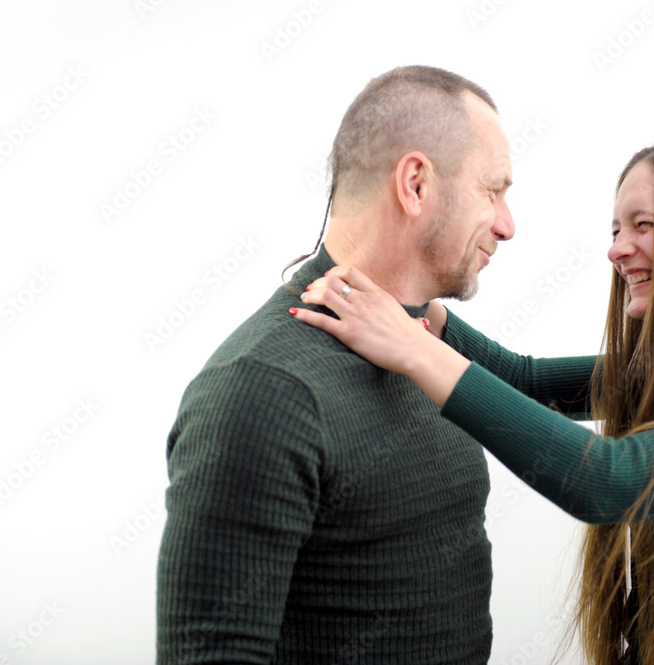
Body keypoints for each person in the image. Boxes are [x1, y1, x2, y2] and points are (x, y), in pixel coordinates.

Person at [293, 135, 654, 665]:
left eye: (643, 225)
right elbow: (524, 380)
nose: (617, 249)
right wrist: (413, 306)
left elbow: (608, 482)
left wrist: (412, 351)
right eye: (616, 229)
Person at [157, 65, 515, 664]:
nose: (507, 224)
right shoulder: (263, 390)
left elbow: (549, 386)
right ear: (417, 185)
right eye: (493, 189)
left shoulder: (424, 345)